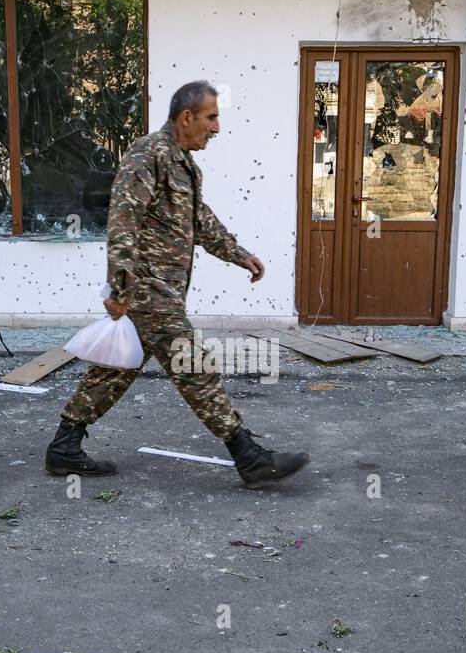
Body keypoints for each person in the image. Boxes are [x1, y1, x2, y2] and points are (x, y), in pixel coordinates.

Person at [46, 81, 310, 488]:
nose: (216, 127)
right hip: (149, 292)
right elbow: (123, 222)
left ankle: (65, 447)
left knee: (115, 370)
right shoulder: (148, 154)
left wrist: (239, 254)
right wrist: (119, 289)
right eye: (211, 117)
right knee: (196, 368)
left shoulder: (183, 164)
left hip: (161, 292)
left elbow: (199, 220)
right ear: (186, 118)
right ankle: (248, 456)